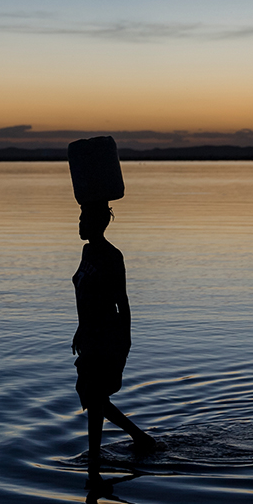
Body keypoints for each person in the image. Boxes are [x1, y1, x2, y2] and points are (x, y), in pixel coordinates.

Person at [72, 201, 156, 484]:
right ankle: (137, 439)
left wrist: (126, 342)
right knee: (93, 397)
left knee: (94, 396)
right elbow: (84, 293)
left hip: (107, 335)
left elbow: (122, 301)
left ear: (97, 224)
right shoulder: (87, 251)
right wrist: (80, 328)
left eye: (84, 219)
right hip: (90, 335)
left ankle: (96, 459)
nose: (79, 223)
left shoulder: (112, 256)